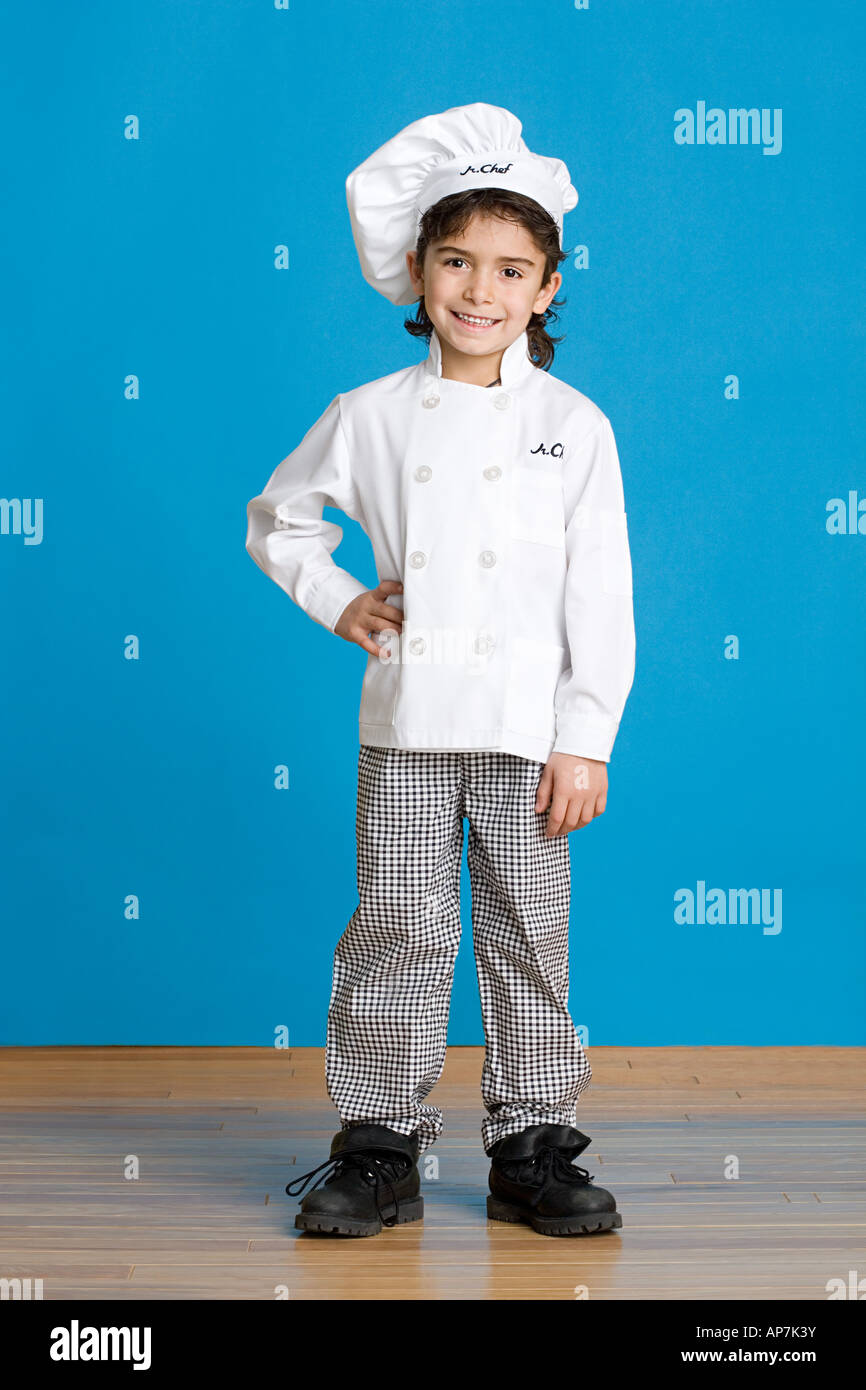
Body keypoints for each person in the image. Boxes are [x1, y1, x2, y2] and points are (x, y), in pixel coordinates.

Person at [245, 103, 636, 1238]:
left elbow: (597, 596)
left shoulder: (575, 426)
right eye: (456, 260)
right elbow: (280, 521)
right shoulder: (367, 415)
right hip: (406, 723)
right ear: (415, 270)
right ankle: (377, 1146)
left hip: (528, 733)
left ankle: (530, 1142)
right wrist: (342, 600)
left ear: (546, 285)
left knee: (528, 931)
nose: (479, 289)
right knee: (398, 928)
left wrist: (585, 734)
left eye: (510, 268)